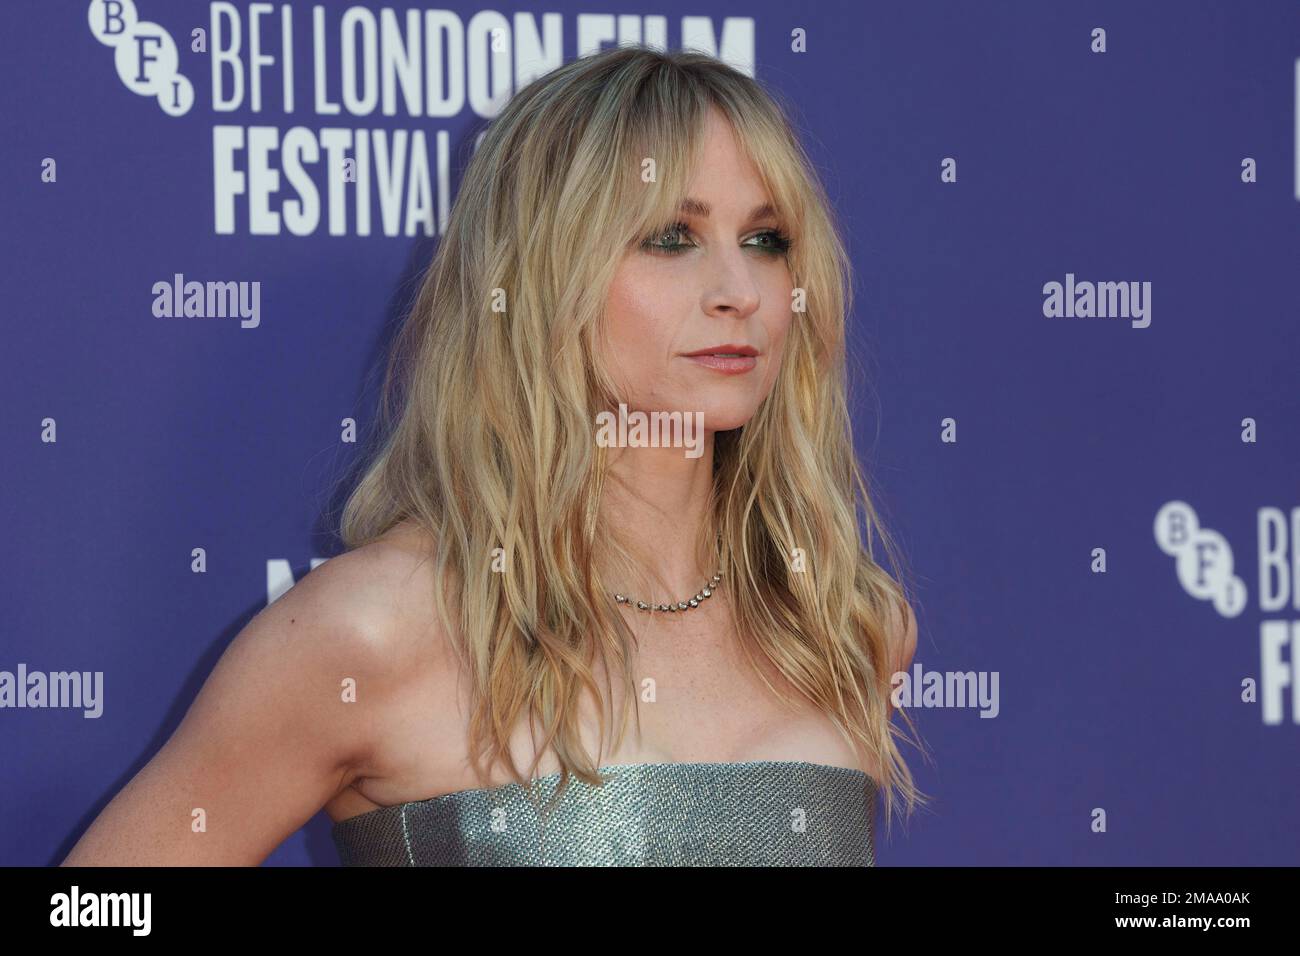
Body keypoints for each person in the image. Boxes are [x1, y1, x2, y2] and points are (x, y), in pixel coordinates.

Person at [62, 45, 925, 867]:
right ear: (543, 275)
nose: (739, 292)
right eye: (671, 237)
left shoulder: (843, 627)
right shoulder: (375, 632)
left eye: (766, 240)